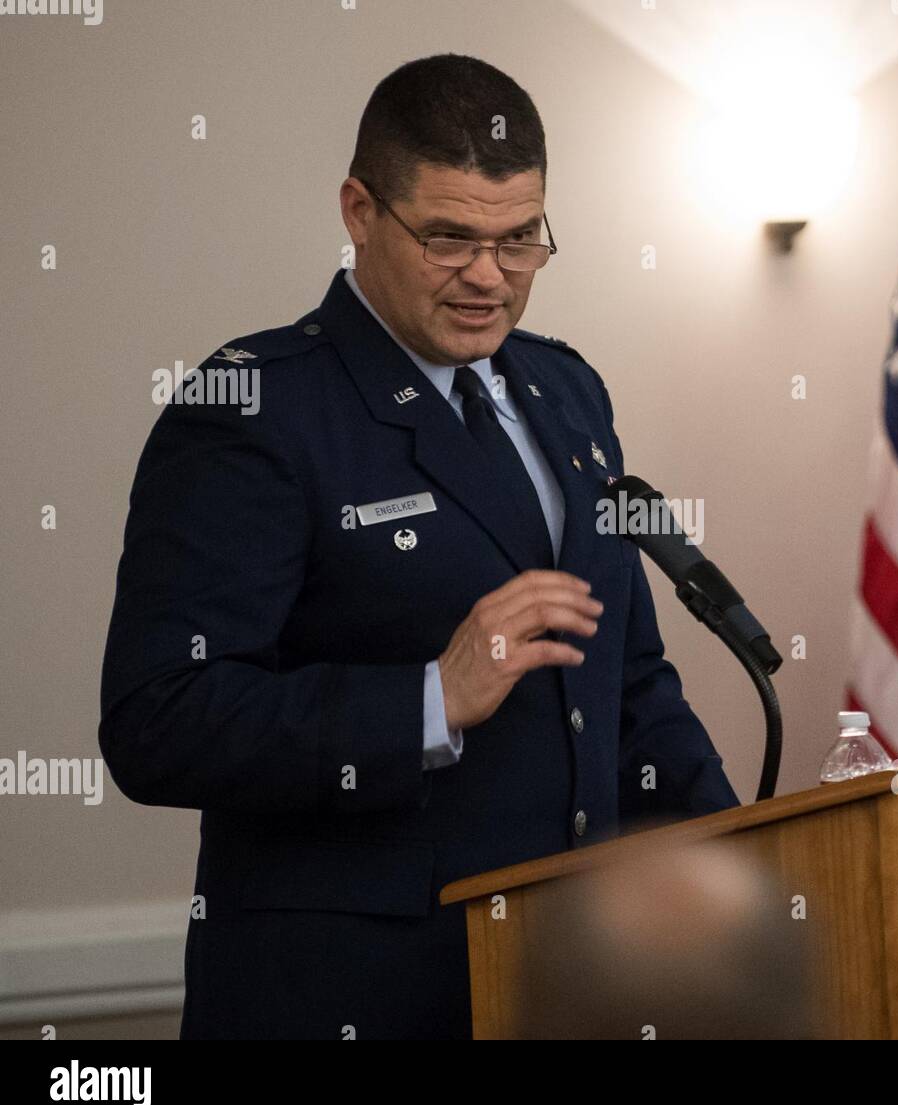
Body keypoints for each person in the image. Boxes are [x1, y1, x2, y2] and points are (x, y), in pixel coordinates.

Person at [99, 53, 740, 1040]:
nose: (489, 276)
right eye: (449, 237)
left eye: (520, 238)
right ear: (359, 210)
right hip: (353, 996)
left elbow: (628, 680)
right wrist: (431, 697)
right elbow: (157, 719)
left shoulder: (567, 391)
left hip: (571, 983)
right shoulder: (256, 406)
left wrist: (740, 858)